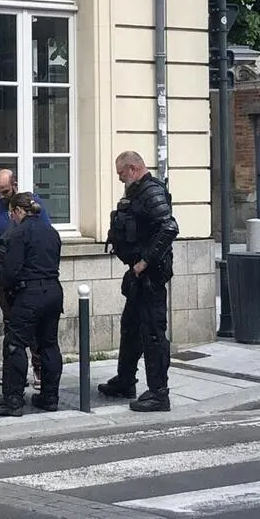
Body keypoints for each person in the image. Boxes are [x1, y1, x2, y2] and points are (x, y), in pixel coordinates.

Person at [99, 150, 180, 412]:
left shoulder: (151, 192)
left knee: (153, 334)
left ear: (133, 168)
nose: (121, 180)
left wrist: (144, 261)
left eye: (122, 175)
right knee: (130, 327)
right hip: (138, 275)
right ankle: (125, 381)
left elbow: (169, 227)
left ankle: (159, 393)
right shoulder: (137, 192)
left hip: (151, 276)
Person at [0, 192, 64, 417]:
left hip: (30, 293)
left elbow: (9, 272)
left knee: (15, 343)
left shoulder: (17, 234)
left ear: (18, 211)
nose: (12, 217)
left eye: (12, 213)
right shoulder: (51, 232)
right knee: (49, 344)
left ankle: (13, 401)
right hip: (54, 291)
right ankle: (50, 397)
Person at [0, 169, 51, 388]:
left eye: (5, 192)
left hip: (28, 275)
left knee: (33, 324)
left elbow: (43, 234)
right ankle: (13, 371)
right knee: (10, 325)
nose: (2, 197)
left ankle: (38, 369)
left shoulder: (32, 206)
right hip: (3, 274)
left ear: (15, 185)